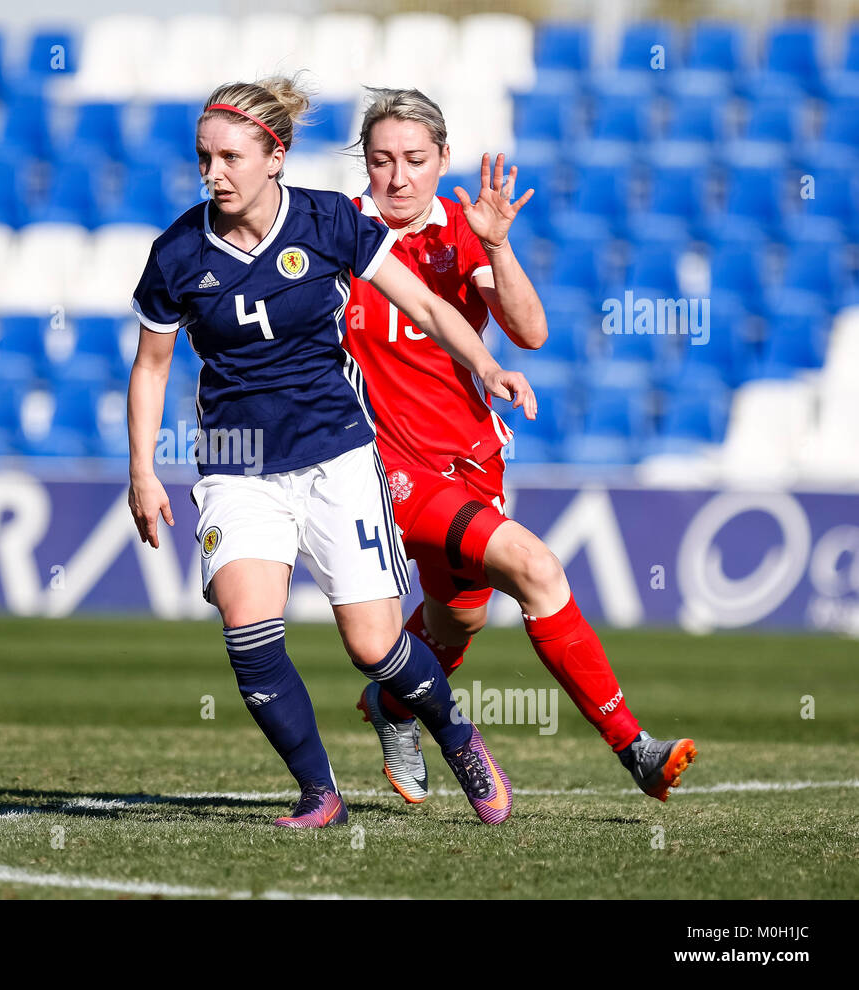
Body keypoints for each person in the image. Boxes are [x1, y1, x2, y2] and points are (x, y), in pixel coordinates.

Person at [127, 77, 538, 827]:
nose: (212, 172)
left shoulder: (324, 220)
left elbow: (422, 301)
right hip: (235, 462)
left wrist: (487, 365)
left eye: (228, 156)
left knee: (375, 647)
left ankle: (455, 734)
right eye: (203, 157)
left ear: (274, 156)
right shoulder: (178, 253)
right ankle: (321, 794)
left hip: (335, 456)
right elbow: (151, 365)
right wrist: (142, 471)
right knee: (249, 637)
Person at [342, 88, 698, 804]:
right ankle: (637, 750)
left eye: (415, 159)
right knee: (536, 567)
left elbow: (530, 332)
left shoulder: (462, 232)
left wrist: (498, 245)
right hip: (385, 465)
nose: (399, 176)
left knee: (459, 618)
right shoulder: (338, 232)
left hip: (471, 459)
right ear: (366, 164)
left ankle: (395, 703)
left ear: (444, 158)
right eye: (382, 160)